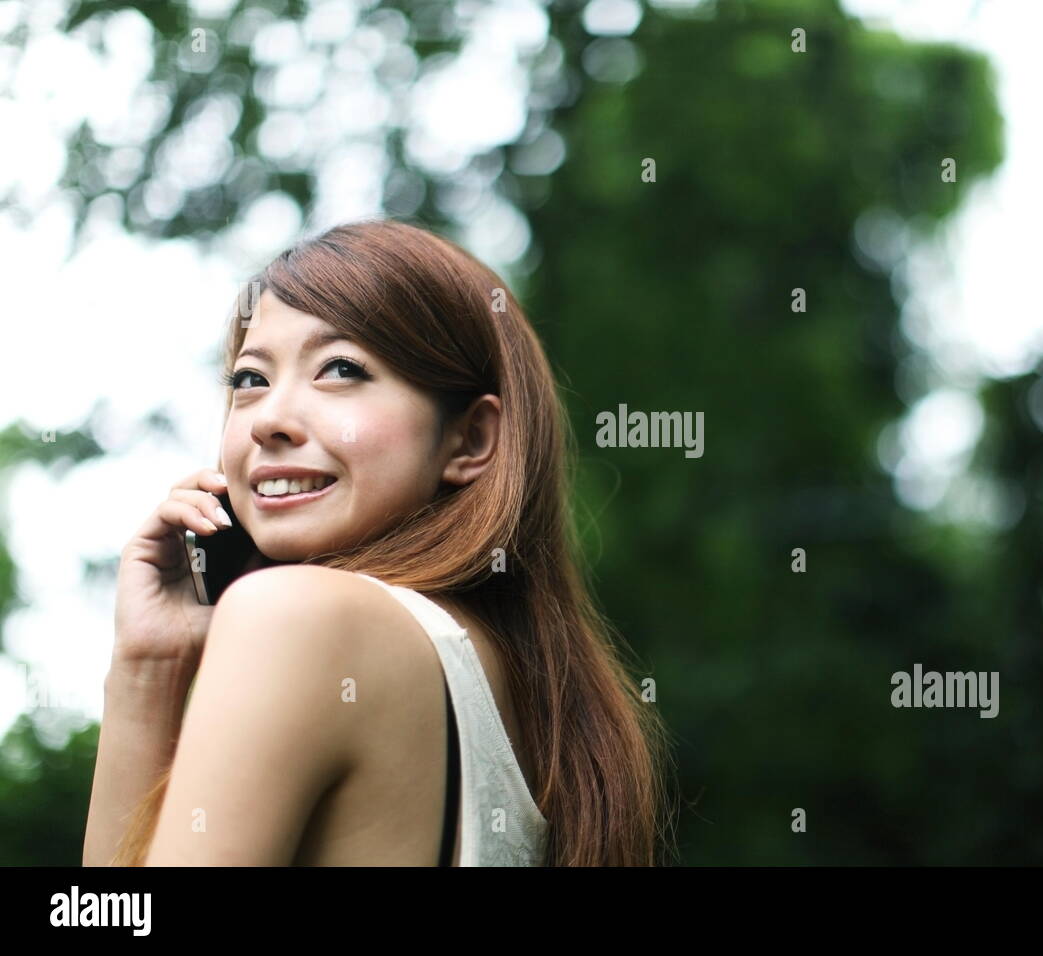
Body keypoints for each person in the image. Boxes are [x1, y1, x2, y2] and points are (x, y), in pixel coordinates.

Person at [82, 219, 676, 866]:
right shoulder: (532, 703)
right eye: (250, 381)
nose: (270, 421)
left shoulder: (295, 616)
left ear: (471, 439)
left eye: (340, 369)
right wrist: (150, 666)